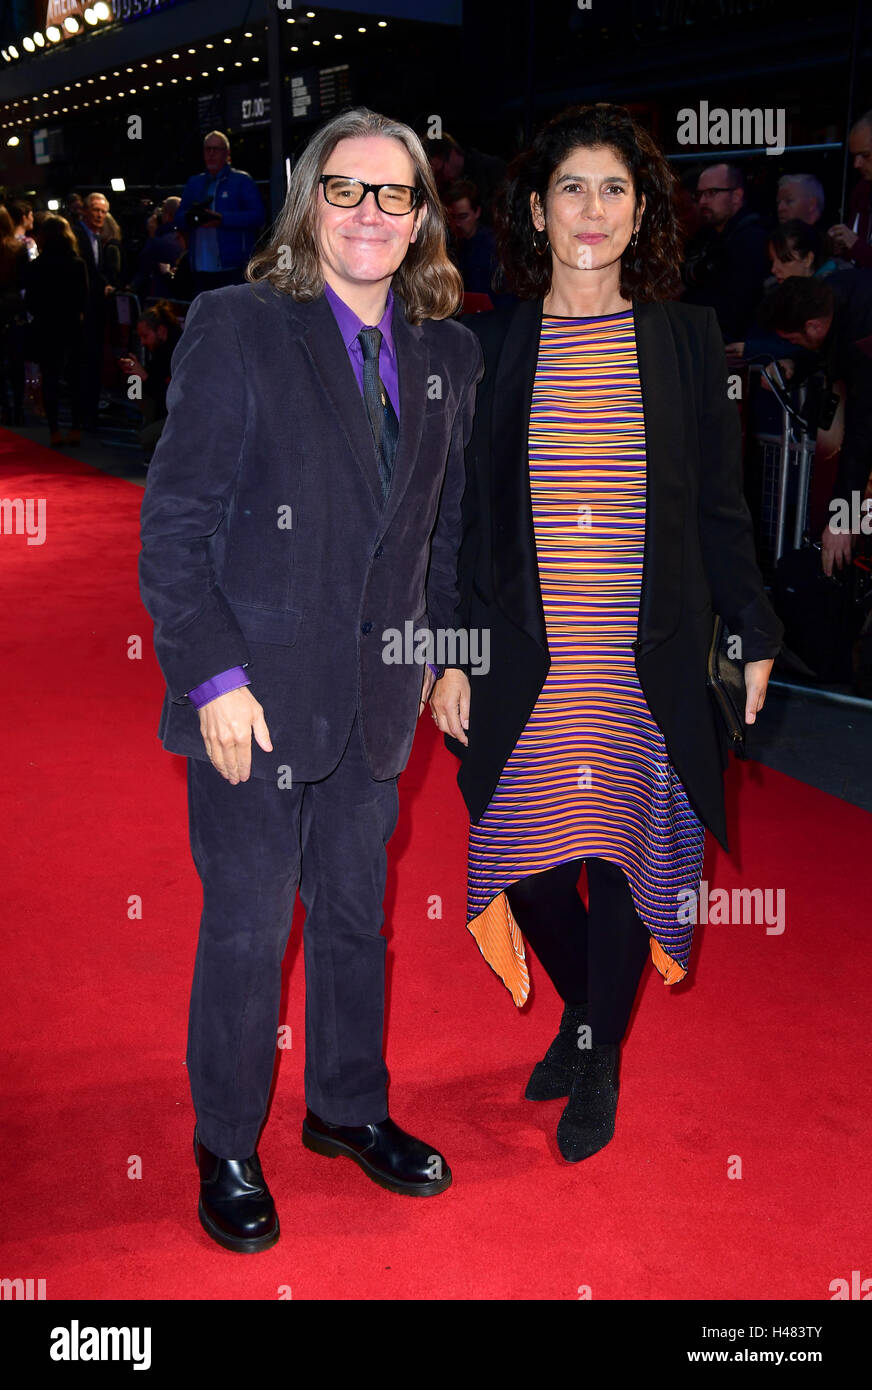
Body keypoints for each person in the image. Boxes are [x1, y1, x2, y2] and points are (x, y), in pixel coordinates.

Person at [139, 106, 483, 1253]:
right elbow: (175, 525)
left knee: (352, 913)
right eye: (345, 190)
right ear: (307, 203)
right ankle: (225, 1141)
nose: (369, 214)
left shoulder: (448, 351)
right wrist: (211, 677)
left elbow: (441, 527)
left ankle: (346, 1105)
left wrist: (440, 651)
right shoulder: (240, 325)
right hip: (253, 693)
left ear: (422, 214)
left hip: (379, 693)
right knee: (246, 927)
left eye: (394, 194)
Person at [430, 103, 783, 1164]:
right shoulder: (489, 342)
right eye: (570, 189)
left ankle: (596, 1053)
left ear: (641, 213)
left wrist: (752, 631)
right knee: (526, 863)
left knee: (627, 862)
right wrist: (447, 650)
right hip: (526, 653)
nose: (592, 210)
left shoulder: (681, 341)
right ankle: (591, 1017)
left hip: (645, 651)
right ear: (534, 212)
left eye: (614, 189)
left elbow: (720, 509)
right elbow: (460, 516)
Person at [760, 271, 872, 576]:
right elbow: (823, 346)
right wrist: (797, 365)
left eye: (795, 340)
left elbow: (861, 436)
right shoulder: (831, 293)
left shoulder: (862, 338)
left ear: (814, 326)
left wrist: (843, 521)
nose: (796, 344)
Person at [682, 161, 770, 341]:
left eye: (712, 193)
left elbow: (736, 307)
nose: (703, 201)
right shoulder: (707, 237)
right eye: (699, 194)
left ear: (736, 196)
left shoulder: (751, 239)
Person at [22, 214, 88, 447]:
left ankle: (54, 430)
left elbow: (29, 301)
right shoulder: (77, 264)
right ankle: (76, 428)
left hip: (46, 326)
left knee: (50, 377)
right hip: (71, 325)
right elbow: (83, 298)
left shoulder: (36, 267)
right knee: (75, 379)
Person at [173, 130, 265, 298]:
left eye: (216, 149)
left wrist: (222, 219)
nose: (211, 154)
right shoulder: (195, 183)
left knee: (234, 317)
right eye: (208, 149)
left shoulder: (242, 181)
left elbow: (258, 217)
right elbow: (179, 218)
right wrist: (193, 218)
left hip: (233, 267)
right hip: (200, 267)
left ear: (227, 153)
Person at [73, 192, 119, 431]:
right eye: (96, 210)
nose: (100, 215)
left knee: (93, 362)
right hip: (81, 310)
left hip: (95, 312)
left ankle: (89, 413)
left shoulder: (97, 237)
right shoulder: (77, 235)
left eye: (103, 211)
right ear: (85, 211)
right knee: (83, 362)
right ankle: (83, 414)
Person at [118, 300, 182, 462]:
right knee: (134, 385)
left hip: (180, 412)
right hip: (162, 407)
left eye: (145, 336)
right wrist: (134, 373)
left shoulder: (179, 351)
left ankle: (163, 442)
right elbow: (148, 389)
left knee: (146, 439)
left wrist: (144, 376)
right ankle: (150, 425)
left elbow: (173, 396)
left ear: (160, 330)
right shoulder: (160, 348)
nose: (143, 342)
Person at [828, 110, 872, 269]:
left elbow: (860, 249)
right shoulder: (862, 192)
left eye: (865, 155)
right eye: (854, 156)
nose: (856, 164)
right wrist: (840, 246)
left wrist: (855, 245)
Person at [0, 204, 30, 426]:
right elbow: (24, 282)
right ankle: (18, 408)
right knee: (16, 362)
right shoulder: (17, 248)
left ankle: (5, 408)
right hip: (14, 308)